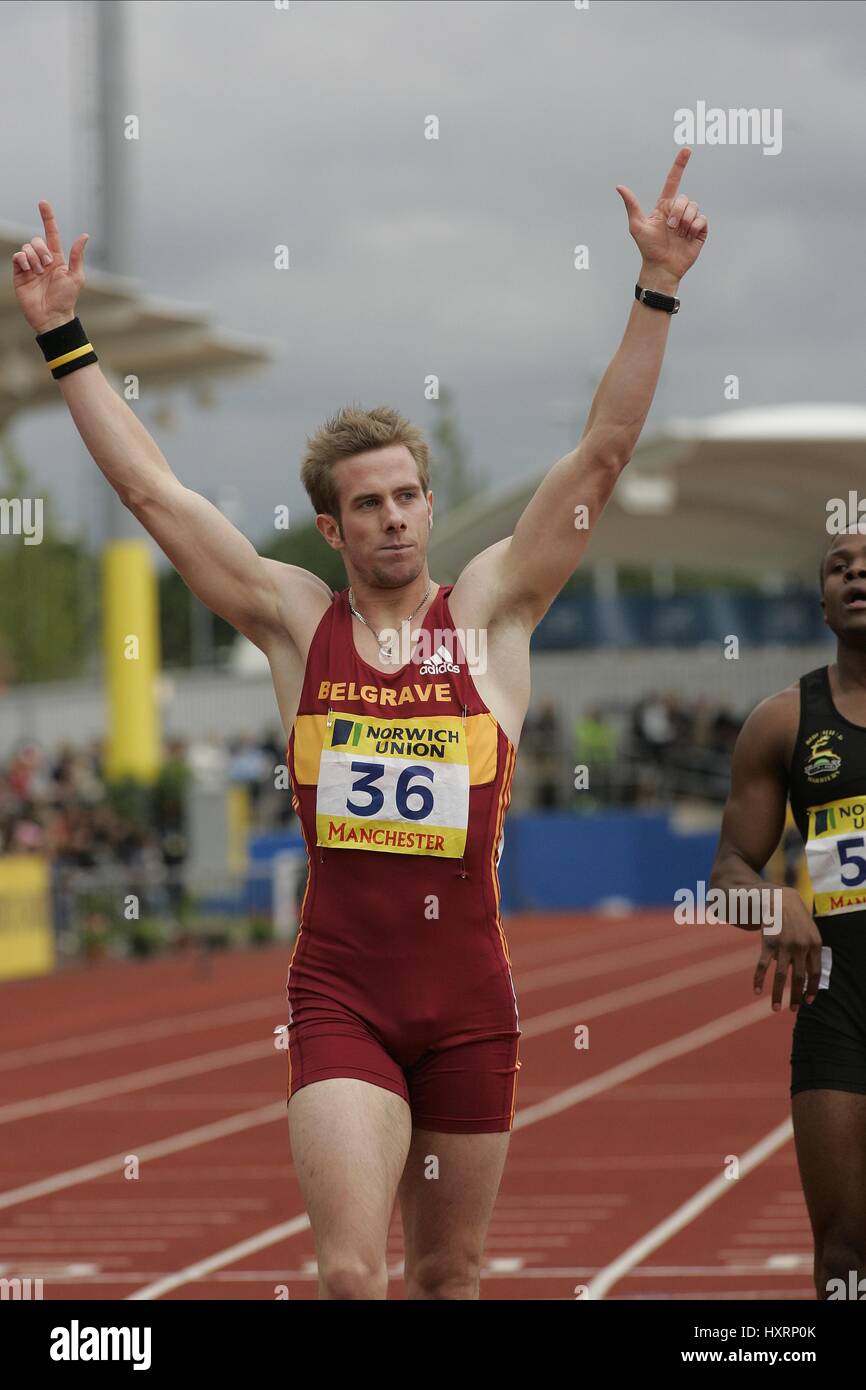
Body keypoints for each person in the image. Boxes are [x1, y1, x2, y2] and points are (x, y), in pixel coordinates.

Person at [11, 149, 707, 1299]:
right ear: (331, 533)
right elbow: (154, 496)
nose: (390, 519)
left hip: (472, 1000)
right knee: (348, 1273)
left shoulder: (490, 612)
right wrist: (63, 337)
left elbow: (601, 454)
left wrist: (657, 284)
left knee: (449, 1273)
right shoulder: (294, 624)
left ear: (430, 503)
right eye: (364, 505)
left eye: (404, 496)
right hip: (342, 994)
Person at [710, 527, 866, 1300]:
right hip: (841, 1009)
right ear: (822, 600)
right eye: (840, 568)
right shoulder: (783, 724)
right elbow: (724, 875)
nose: (857, 576)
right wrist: (771, 897)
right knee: (844, 1257)